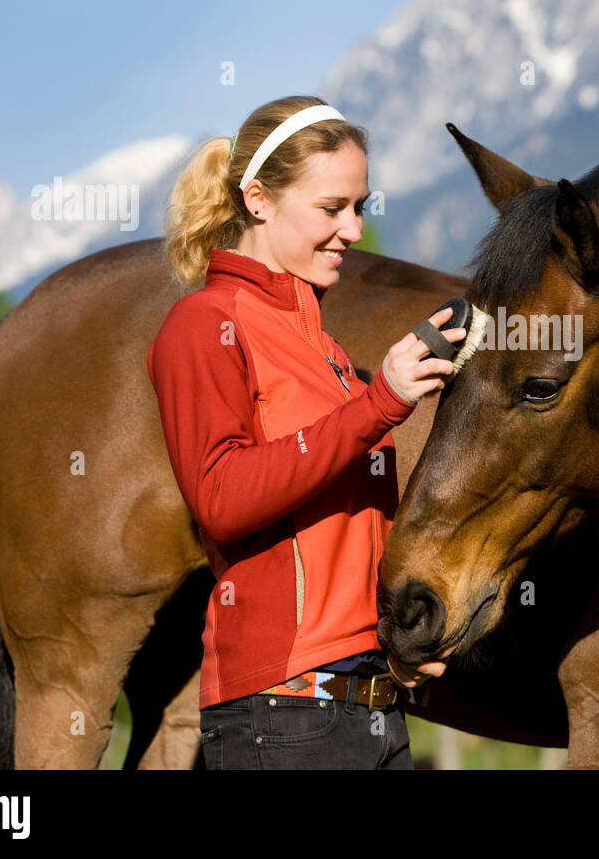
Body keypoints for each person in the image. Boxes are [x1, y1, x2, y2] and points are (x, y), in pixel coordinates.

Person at [146, 95, 462, 769]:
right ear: (257, 200)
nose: (352, 229)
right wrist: (378, 404)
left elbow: (346, 532)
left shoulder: (330, 352)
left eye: (360, 207)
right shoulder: (206, 324)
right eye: (331, 208)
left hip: (373, 706)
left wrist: (399, 641)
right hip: (283, 717)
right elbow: (222, 498)